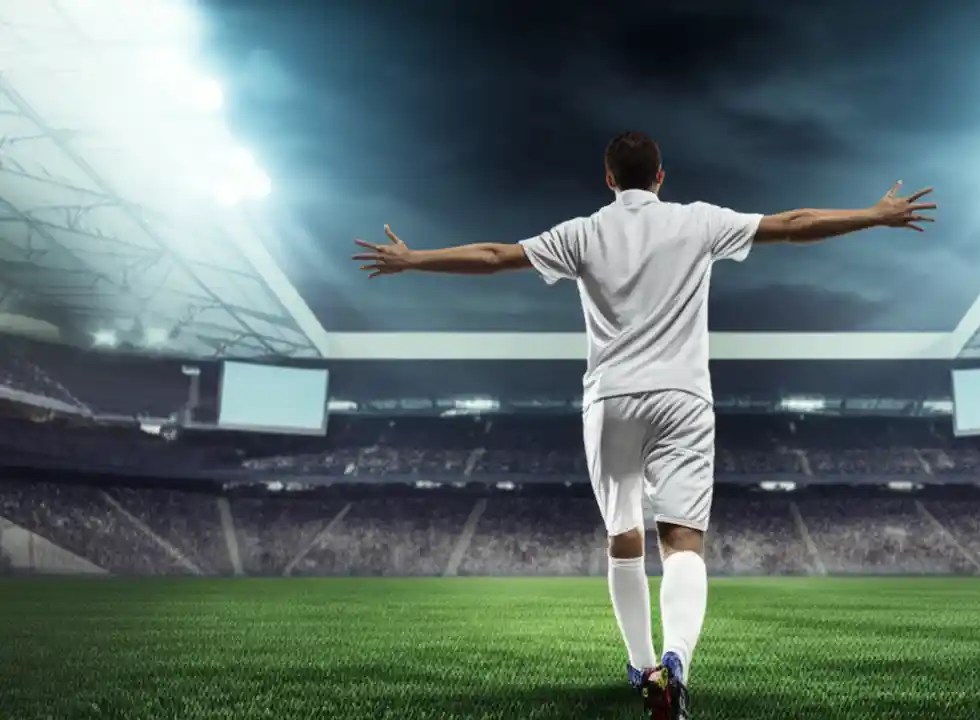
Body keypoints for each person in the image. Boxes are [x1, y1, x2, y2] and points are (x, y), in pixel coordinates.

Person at [351, 130, 935, 719]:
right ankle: (677, 660)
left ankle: (642, 666)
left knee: (623, 537)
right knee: (682, 541)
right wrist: (875, 215)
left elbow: (494, 256)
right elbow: (793, 222)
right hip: (682, 397)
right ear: (662, 175)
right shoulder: (698, 222)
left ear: (608, 179)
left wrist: (413, 259)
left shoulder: (582, 232)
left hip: (610, 400)